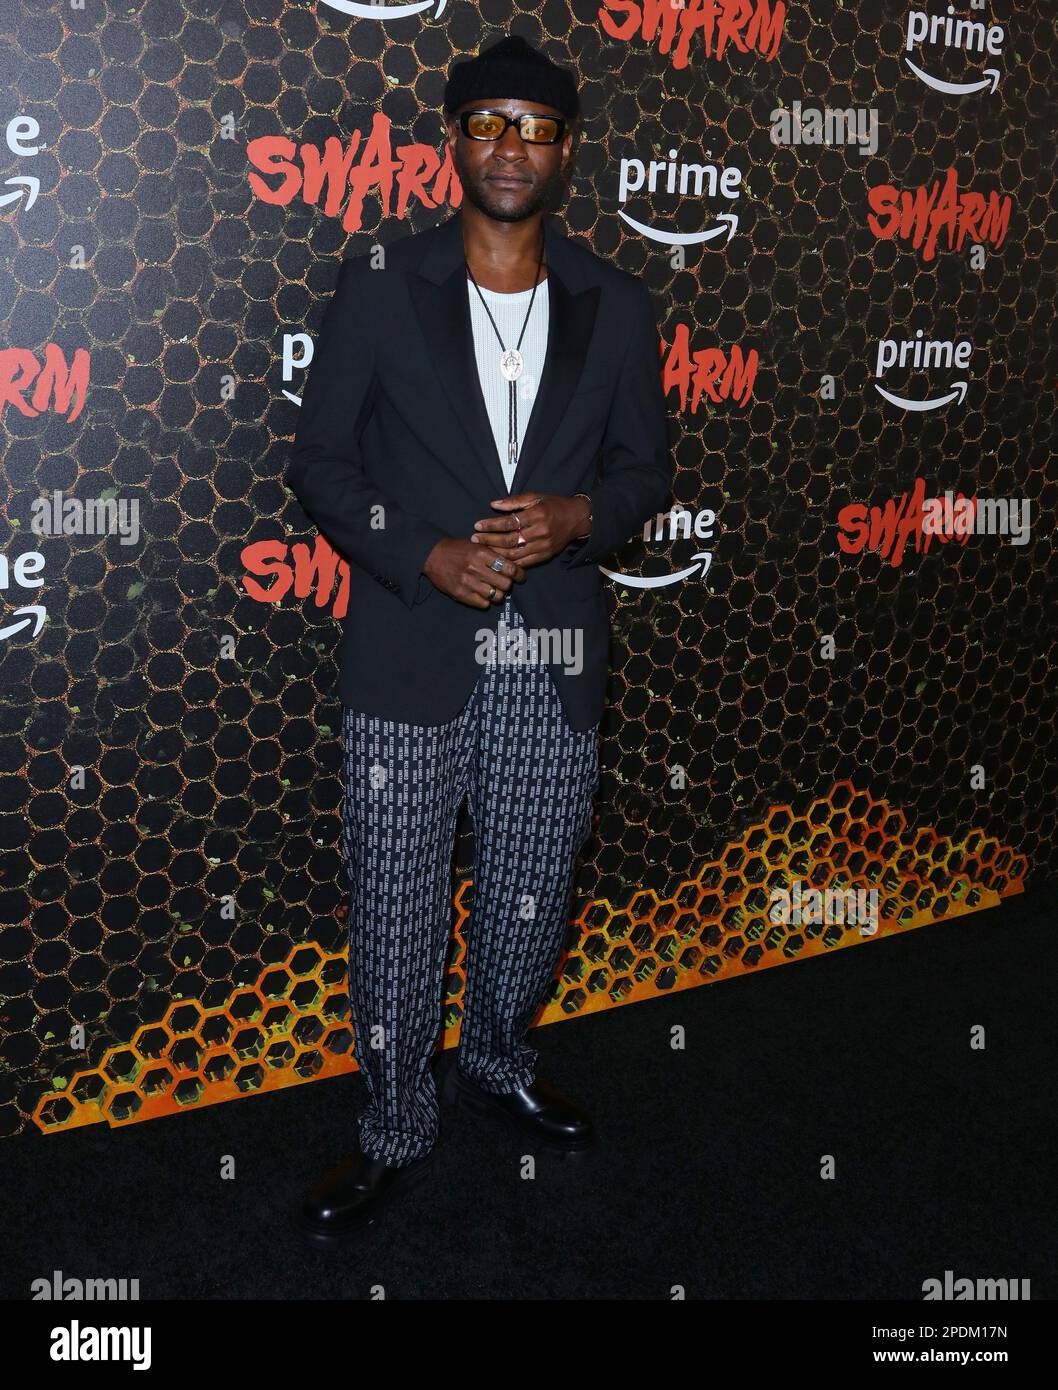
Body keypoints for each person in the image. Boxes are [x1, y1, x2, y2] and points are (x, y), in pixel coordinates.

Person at [286, 33, 671, 1242]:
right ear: (452, 142)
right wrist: (423, 552)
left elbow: (643, 472)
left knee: (526, 895)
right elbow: (321, 466)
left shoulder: (617, 305)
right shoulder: (379, 285)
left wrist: (575, 518)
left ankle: (500, 1060)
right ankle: (396, 1123)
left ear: (566, 150)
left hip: (549, 655)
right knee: (397, 907)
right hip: (410, 650)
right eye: (489, 122)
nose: (513, 146)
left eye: (538, 126)